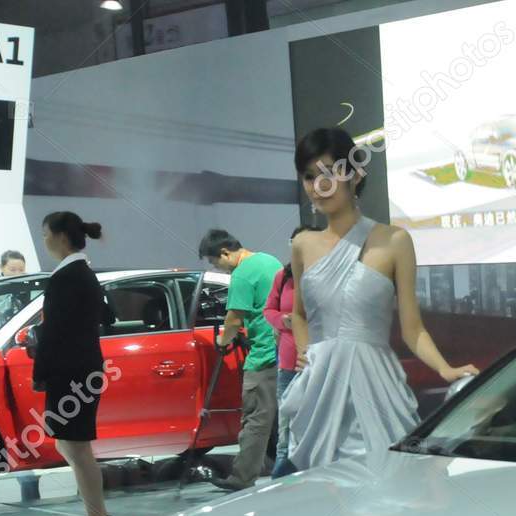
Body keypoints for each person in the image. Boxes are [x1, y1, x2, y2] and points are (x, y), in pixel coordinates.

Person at [281, 127, 478, 471]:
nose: (317, 186)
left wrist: (445, 368)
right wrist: (304, 351)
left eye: (328, 173)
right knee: (320, 496)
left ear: (354, 176)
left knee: (386, 487)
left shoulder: (395, 241)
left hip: (374, 388)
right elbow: (298, 315)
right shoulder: (302, 246)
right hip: (320, 391)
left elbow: (412, 329)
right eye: (309, 177)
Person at [36, 211, 116, 516]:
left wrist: (41, 372)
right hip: (79, 369)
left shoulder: (69, 276)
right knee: (70, 443)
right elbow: (108, 315)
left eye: (46, 234)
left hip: (71, 372)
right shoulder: (80, 273)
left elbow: (54, 333)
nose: (44, 240)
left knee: (75, 445)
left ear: (61, 236)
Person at [198, 228, 283, 491]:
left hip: (262, 355)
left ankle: (242, 477)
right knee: (285, 419)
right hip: (284, 349)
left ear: (225, 253)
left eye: (216, 262)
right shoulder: (271, 261)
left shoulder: (242, 275)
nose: (220, 269)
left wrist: (222, 342)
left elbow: (234, 318)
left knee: (255, 418)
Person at [264, 225, 307, 476]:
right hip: (289, 364)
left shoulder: (324, 276)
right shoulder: (283, 276)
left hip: (319, 363)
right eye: (294, 243)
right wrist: (284, 320)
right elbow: (268, 310)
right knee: (286, 431)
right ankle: (281, 482)